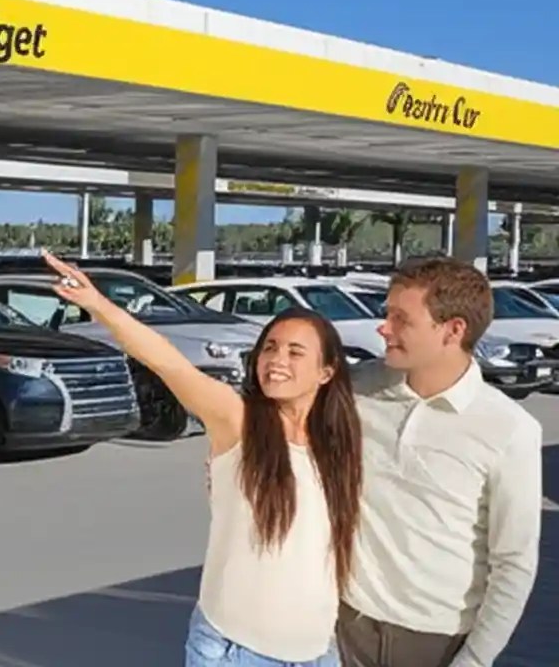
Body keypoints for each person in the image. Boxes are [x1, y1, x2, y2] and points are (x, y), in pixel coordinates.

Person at [43, 252, 361, 667]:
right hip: (234, 652)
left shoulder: (340, 445)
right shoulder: (237, 419)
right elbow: (166, 361)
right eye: (270, 347)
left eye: (295, 352)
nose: (277, 360)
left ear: (326, 372)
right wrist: (97, 303)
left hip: (318, 653)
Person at [340, 258, 542, 667]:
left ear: (453, 330)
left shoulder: (510, 429)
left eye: (401, 319)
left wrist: (475, 660)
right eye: (387, 314)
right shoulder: (355, 390)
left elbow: (513, 562)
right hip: (345, 629)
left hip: (437, 643)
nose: (383, 328)